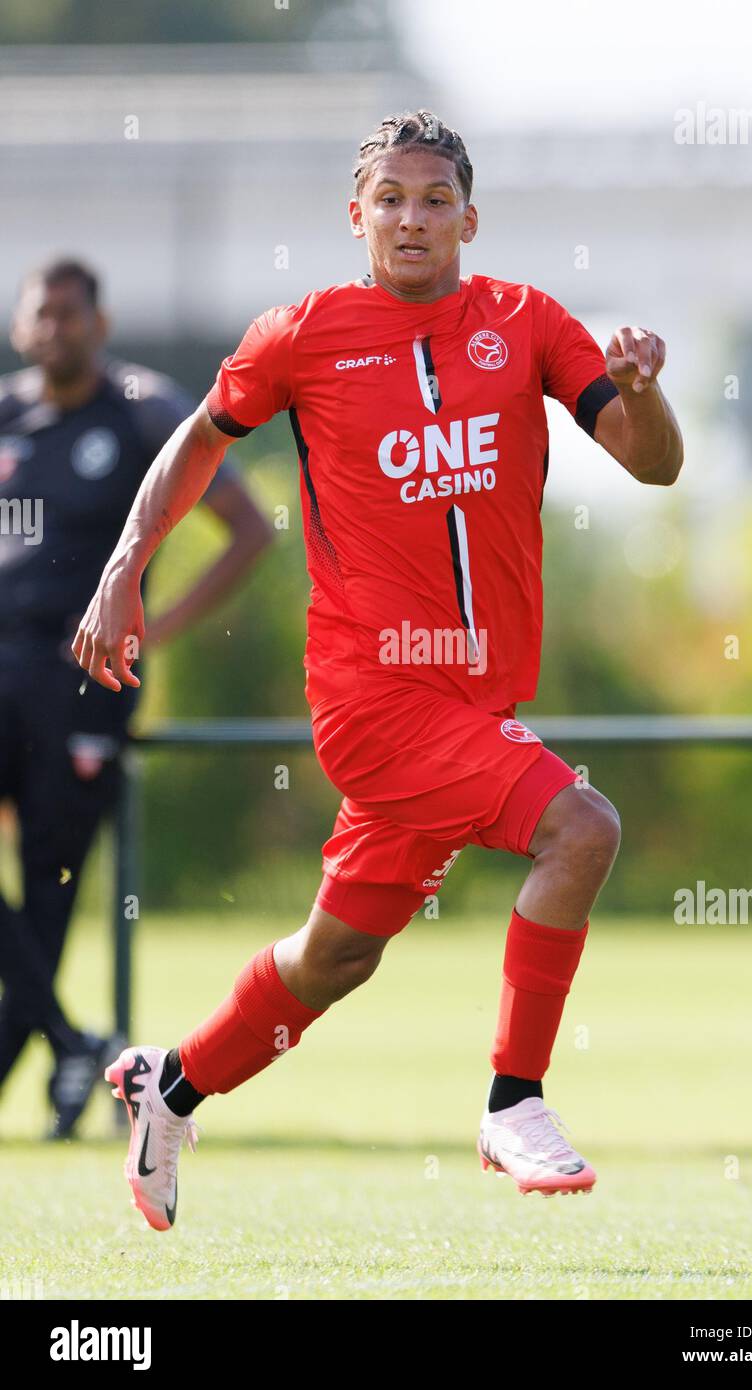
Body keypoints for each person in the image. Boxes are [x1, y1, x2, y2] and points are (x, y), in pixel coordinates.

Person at [73, 110, 683, 1230]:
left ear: (469, 217)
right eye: (390, 199)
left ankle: (168, 1087)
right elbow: (201, 435)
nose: (412, 218)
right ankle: (515, 1098)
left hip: (475, 700)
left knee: (337, 953)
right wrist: (125, 564)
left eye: (435, 199)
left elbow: (651, 468)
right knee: (581, 826)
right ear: (356, 215)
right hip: (373, 697)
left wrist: (643, 392)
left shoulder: (526, 321)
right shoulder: (302, 335)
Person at [0, 257, 274, 1139]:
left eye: (71, 314)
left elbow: (248, 529)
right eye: (41, 315)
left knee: (49, 887)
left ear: (98, 323)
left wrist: (157, 629)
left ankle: (64, 1048)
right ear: (20, 327)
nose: (55, 329)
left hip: (82, 686)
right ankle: (74, 1038)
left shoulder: (142, 408)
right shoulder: (6, 416)